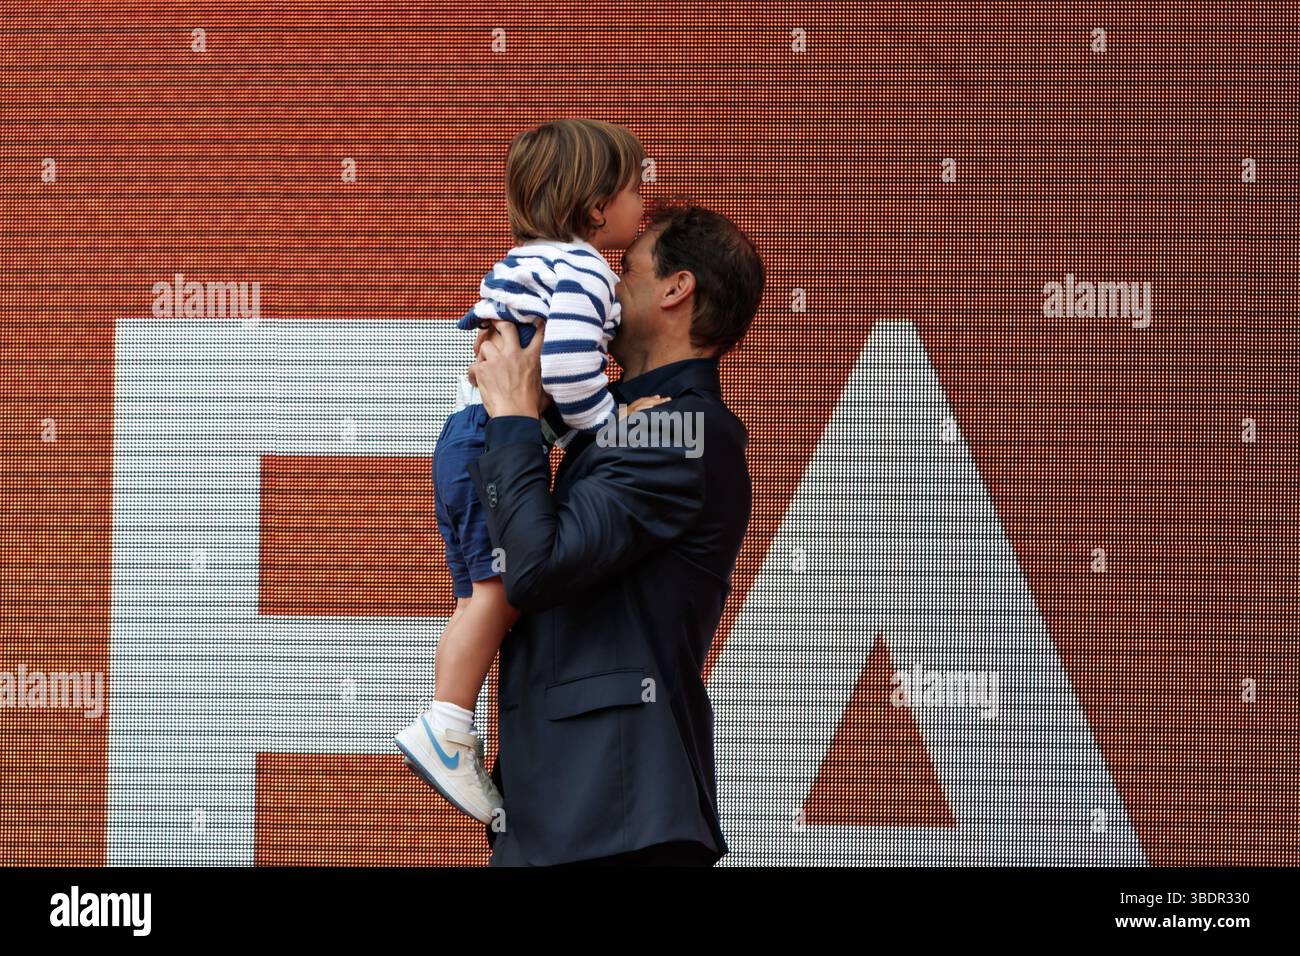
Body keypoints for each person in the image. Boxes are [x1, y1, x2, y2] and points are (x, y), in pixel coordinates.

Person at [465, 201, 765, 865]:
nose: (599, 288)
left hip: (615, 814)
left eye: (621, 268)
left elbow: (537, 568)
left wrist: (515, 420)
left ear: (675, 289)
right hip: (565, 811)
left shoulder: (682, 427)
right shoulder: (622, 421)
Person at [394, 119, 664, 823]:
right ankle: (448, 727)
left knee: (478, 595)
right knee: (500, 593)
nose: (647, 205)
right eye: (638, 190)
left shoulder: (529, 260)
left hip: (464, 439)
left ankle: (449, 720)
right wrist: (615, 424)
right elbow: (573, 373)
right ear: (598, 206)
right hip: (489, 441)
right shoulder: (581, 270)